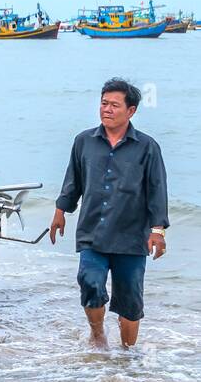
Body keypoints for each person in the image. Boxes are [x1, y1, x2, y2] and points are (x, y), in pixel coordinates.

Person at [50, 78, 168, 349]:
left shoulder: (147, 147)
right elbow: (73, 182)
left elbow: (157, 190)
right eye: (104, 103)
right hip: (93, 232)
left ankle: (128, 358)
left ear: (131, 111)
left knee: (130, 302)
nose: (107, 109)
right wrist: (60, 211)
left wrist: (158, 231)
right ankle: (97, 332)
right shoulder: (83, 141)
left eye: (115, 105)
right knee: (90, 283)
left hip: (131, 237)